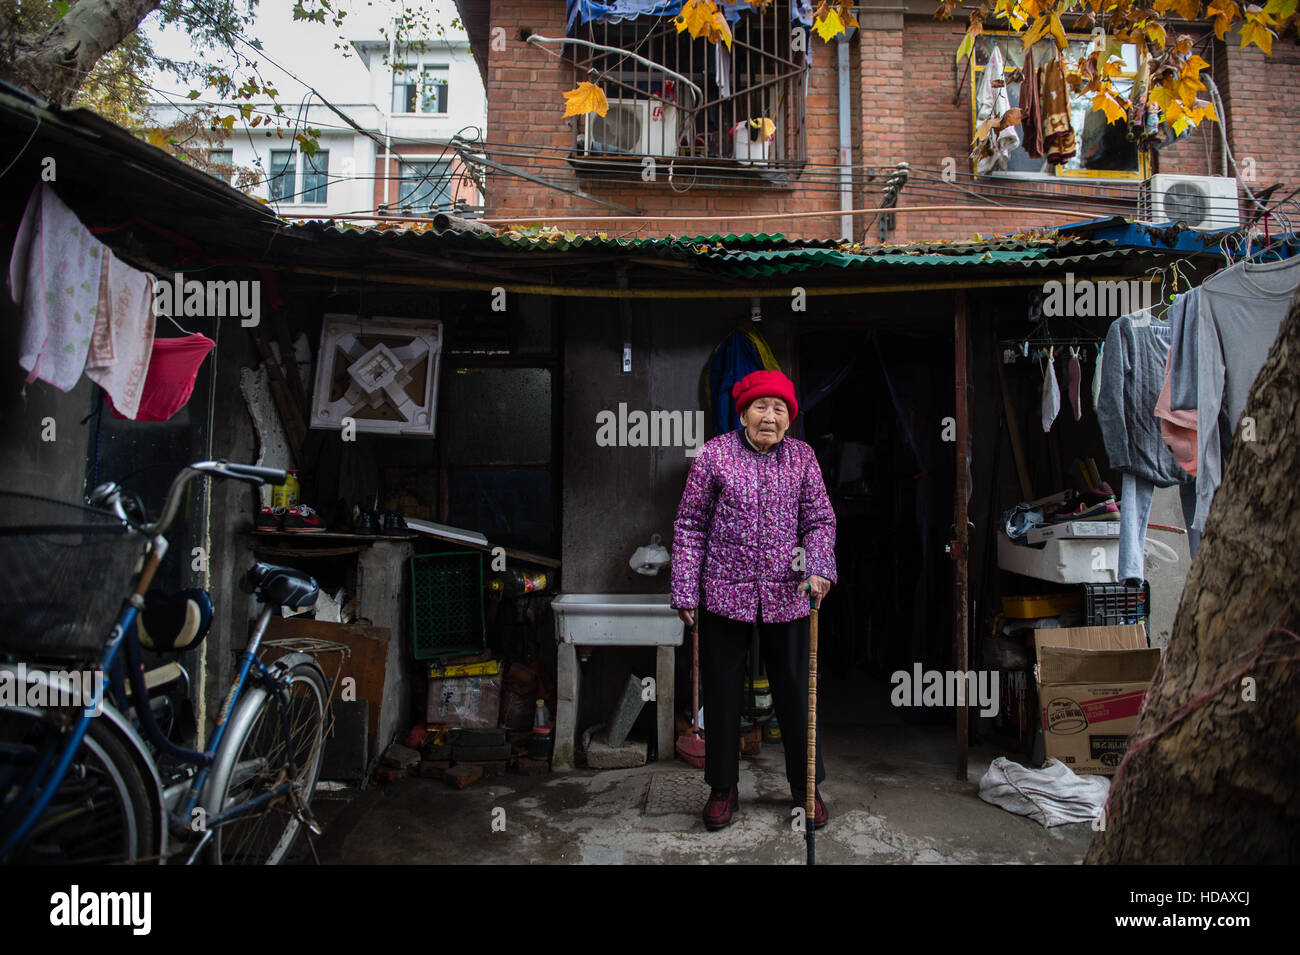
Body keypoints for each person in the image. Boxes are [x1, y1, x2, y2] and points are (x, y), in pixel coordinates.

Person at [669, 369, 836, 831]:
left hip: (788, 593)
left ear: (790, 419)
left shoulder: (802, 458)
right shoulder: (715, 456)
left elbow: (819, 520)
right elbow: (690, 525)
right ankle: (723, 788)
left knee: (797, 693)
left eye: (780, 408)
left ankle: (806, 787)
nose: (770, 416)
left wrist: (819, 566)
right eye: (761, 406)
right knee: (721, 694)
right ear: (743, 412)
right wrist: (685, 587)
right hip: (725, 591)